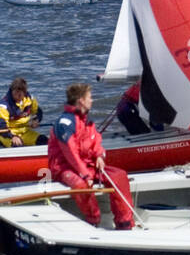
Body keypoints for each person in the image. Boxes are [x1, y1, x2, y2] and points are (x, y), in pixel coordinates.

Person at [48, 83, 135, 230]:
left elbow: (96, 141)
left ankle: (125, 223)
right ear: (81, 100)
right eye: (90, 97)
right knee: (81, 185)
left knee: (119, 176)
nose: (92, 100)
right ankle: (93, 220)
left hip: (88, 165)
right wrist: (85, 175)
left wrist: (100, 155)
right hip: (65, 168)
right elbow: (71, 154)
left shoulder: (86, 121)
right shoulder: (65, 123)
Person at [0, 77, 46, 148]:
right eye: (15, 93)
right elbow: (1, 126)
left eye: (20, 94)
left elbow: (38, 111)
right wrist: (13, 136)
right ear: (12, 91)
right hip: (2, 133)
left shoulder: (30, 100)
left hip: (23, 131)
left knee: (44, 140)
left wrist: (36, 120)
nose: (17, 96)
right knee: (17, 145)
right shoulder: (3, 106)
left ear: (25, 92)